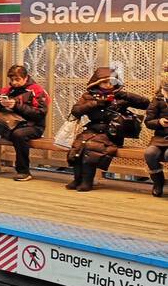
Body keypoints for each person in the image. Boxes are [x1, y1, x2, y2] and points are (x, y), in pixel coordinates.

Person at [66, 66, 149, 192]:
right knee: (78, 146)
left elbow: (146, 103)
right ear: (97, 82)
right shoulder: (88, 96)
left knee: (91, 147)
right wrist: (95, 103)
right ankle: (77, 179)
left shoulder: (120, 96)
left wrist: (125, 95)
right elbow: (76, 111)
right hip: (92, 129)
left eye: (111, 82)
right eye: (104, 82)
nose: (108, 85)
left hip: (112, 132)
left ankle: (87, 181)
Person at [0, 65, 49, 181]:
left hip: (32, 126)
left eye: (17, 79)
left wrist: (16, 106)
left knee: (18, 134)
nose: (14, 83)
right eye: (12, 80)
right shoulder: (6, 90)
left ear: (25, 77)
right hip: (5, 124)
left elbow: (40, 113)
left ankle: (24, 171)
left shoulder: (37, 90)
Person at [145, 62, 168, 197]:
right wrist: (159, 122)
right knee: (150, 153)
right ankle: (158, 182)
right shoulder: (157, 99)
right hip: (159, 139)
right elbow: (148, 122)